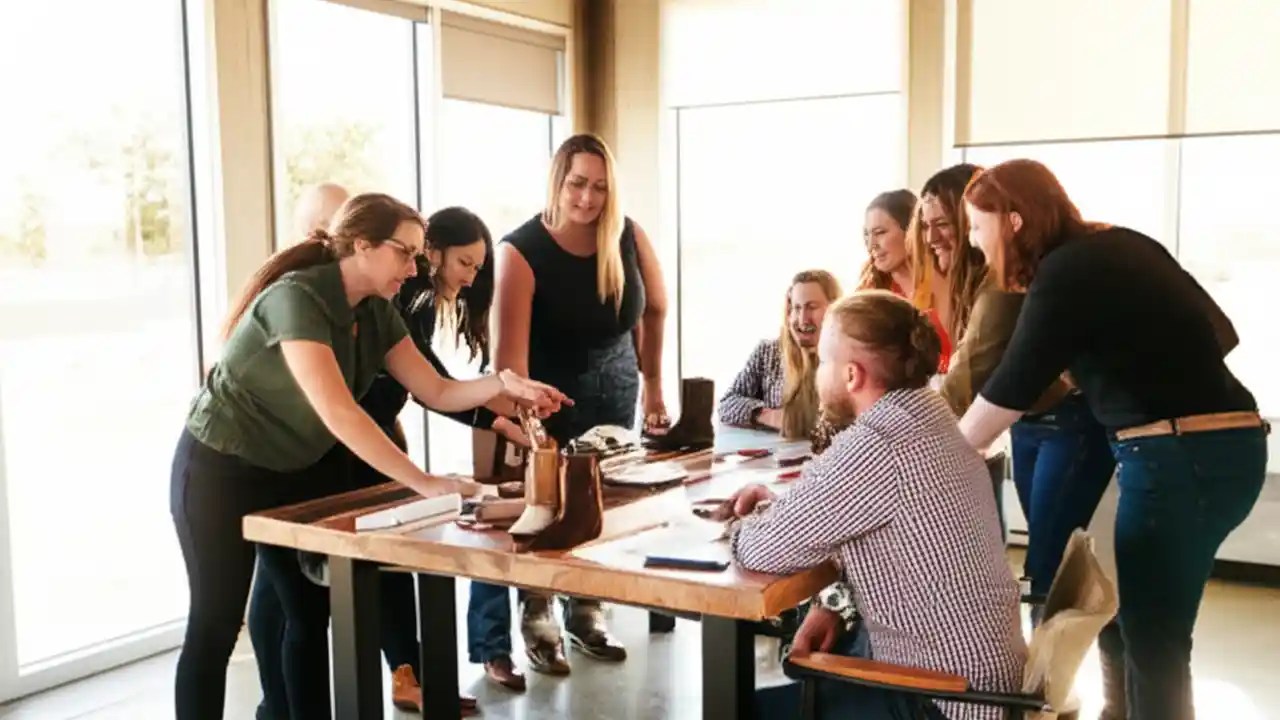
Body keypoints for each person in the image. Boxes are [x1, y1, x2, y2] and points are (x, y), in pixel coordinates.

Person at [169, 191, 567, 720]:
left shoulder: (378, 313)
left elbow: (439, 390)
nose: (415, 267)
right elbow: (341, 413)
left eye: (419, 255)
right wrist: (425, 482)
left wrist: (505, 384)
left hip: (291, 470)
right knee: (216, 626)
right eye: (405, 253)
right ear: (361, 246)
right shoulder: (297, 299)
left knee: (308, 614)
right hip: (220, 470)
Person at [959, 159, 1266, 720]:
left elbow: (1012, 387)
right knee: (1136, 626)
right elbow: (1221, 333)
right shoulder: (1121, 243)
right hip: (1232, 444)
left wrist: (941, 454)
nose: (978, 246)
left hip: (1176, 454)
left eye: (978, 229)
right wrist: (1115, 366)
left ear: (1015, 220)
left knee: (1154, 637)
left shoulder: (1064, 271)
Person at [728, 290, 1026, 720]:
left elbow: (761, 550)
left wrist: (755, 515)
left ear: (851, 375)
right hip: (985, 689)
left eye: (824, 361)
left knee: (735, 708)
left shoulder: (878, 445)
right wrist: (833, 602)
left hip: (937, 701)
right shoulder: (931, 416)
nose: (817, 371)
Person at [467, 133, 671, 687]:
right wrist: (527, 427)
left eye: (600, 187)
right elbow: (510, 365)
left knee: (595, 508)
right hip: (543, 397)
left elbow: (655, 308)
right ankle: (535, 617)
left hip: (616, 391)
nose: (588, 198)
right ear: (558, 180)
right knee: (539, 509)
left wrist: (653, 386)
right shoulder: (521, 250)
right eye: (578, 183)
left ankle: (587, 612)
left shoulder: (626, 234)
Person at [717, 270, 842, 438]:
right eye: (796, 308)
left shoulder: (848, 357)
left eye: (812, 307)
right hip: (776, 457)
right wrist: (769, 415)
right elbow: (727, 404)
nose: (802, 319)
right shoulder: (768, 352)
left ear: (834, 309)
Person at [858, 189, 917, 294]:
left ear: (910, 231)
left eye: (880, 232)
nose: (871, 245)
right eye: (867, 234)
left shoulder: (946, 283)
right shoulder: (869, 292)